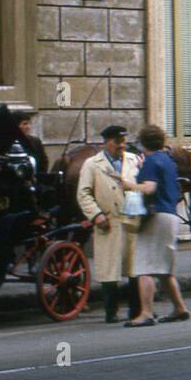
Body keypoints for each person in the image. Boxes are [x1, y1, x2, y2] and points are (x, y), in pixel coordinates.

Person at [122, 125, 190, 327]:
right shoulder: (167, 160)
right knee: (165, 269)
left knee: (144, 267)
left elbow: (149, 188)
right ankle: (179, 308)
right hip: (170, 214)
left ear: (142, 143)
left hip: (155, 216)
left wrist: (129, 185)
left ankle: (146, 313)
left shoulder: (150, 161)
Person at [76, 125, 142, 323]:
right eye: (116, 142)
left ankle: (136, 309)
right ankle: (110, 311)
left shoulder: (133, 160)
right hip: (108, 220)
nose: (121, 145)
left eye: (123, 141)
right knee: (109, 268)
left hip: (131, 219)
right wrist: (96, 215)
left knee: (134, 268)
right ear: (107, 142)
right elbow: (83, 193)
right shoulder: (92, 164)